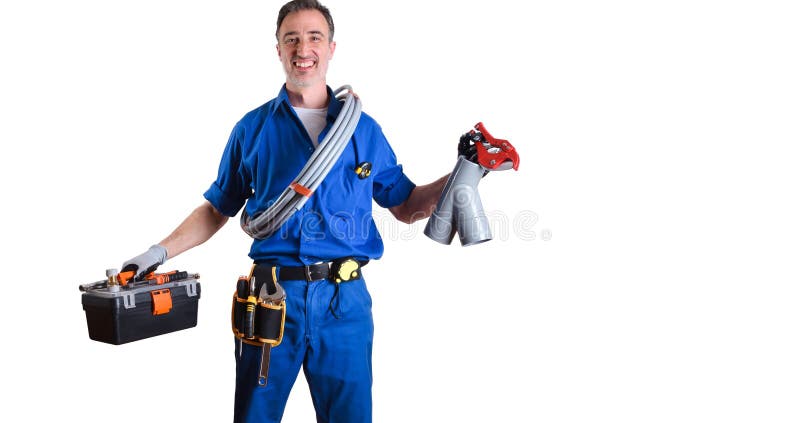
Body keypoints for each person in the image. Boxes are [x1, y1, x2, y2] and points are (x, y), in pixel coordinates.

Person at [121, 1, 448, 422]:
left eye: (314, 37)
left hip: (343, 302)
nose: (303, 48)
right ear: (278, 49)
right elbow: (217, 208)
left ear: (331, 48)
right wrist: (156, 253)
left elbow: (405, 204)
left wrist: (462, 175)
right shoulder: (252, 129)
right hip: (272, 299)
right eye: (291, 38)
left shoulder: (364, 132)